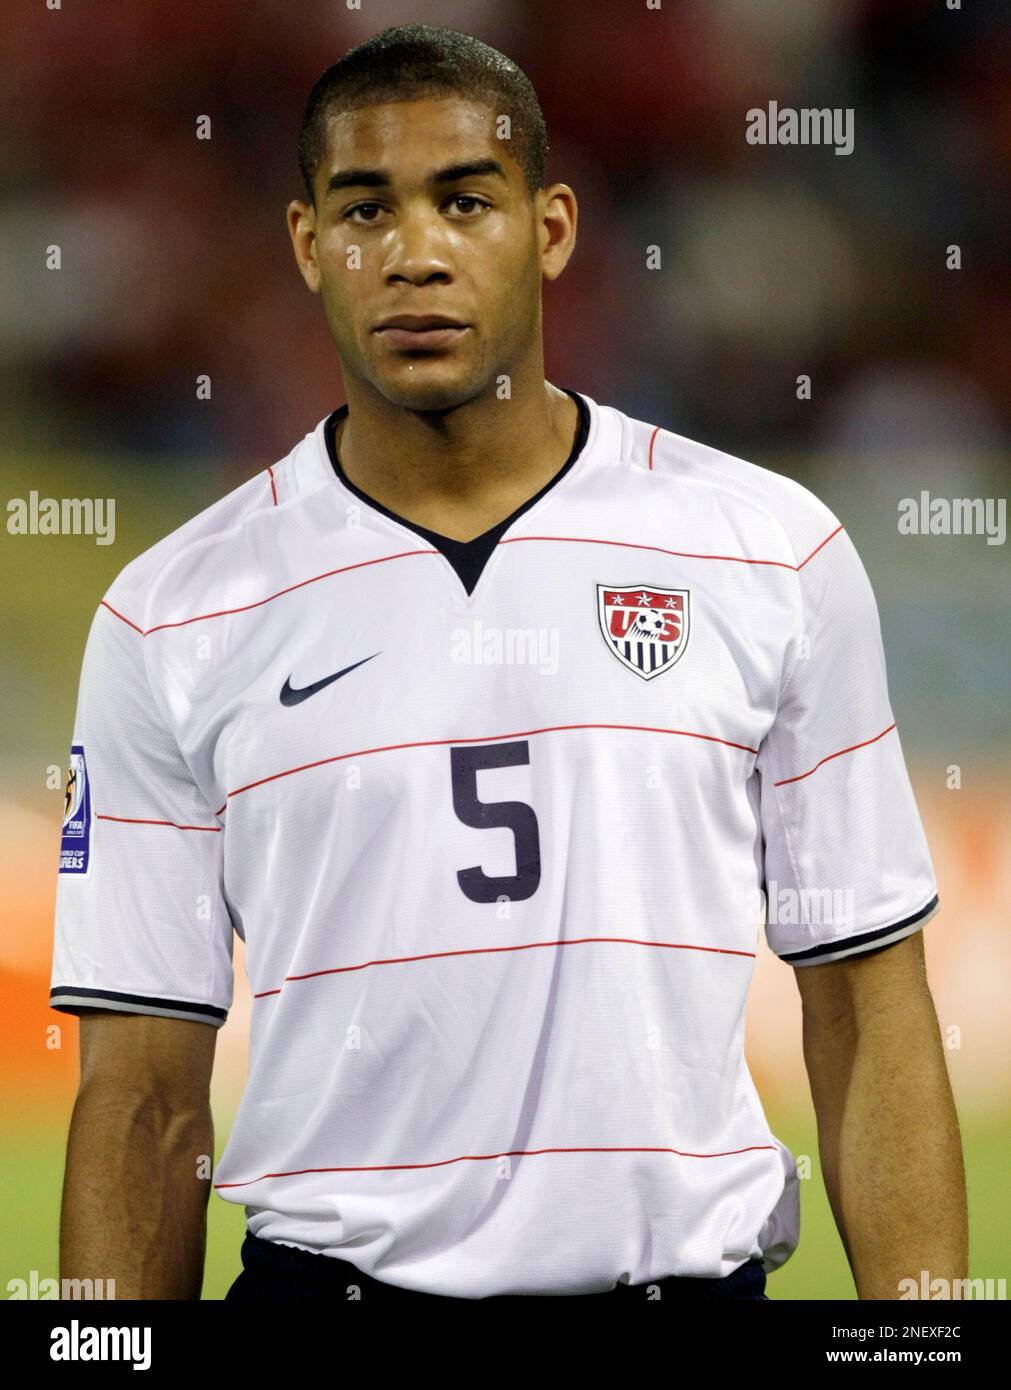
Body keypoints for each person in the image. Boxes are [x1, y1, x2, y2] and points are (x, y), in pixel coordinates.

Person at [50, 23, 966, 1302]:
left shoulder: (768, 552)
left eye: (464, 201)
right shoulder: (173, 614)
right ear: (309, 245)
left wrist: (924, 1340)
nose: (415, 253)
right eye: (366, 209)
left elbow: (870, 1004)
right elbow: (142, 1090)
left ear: (550, 230)